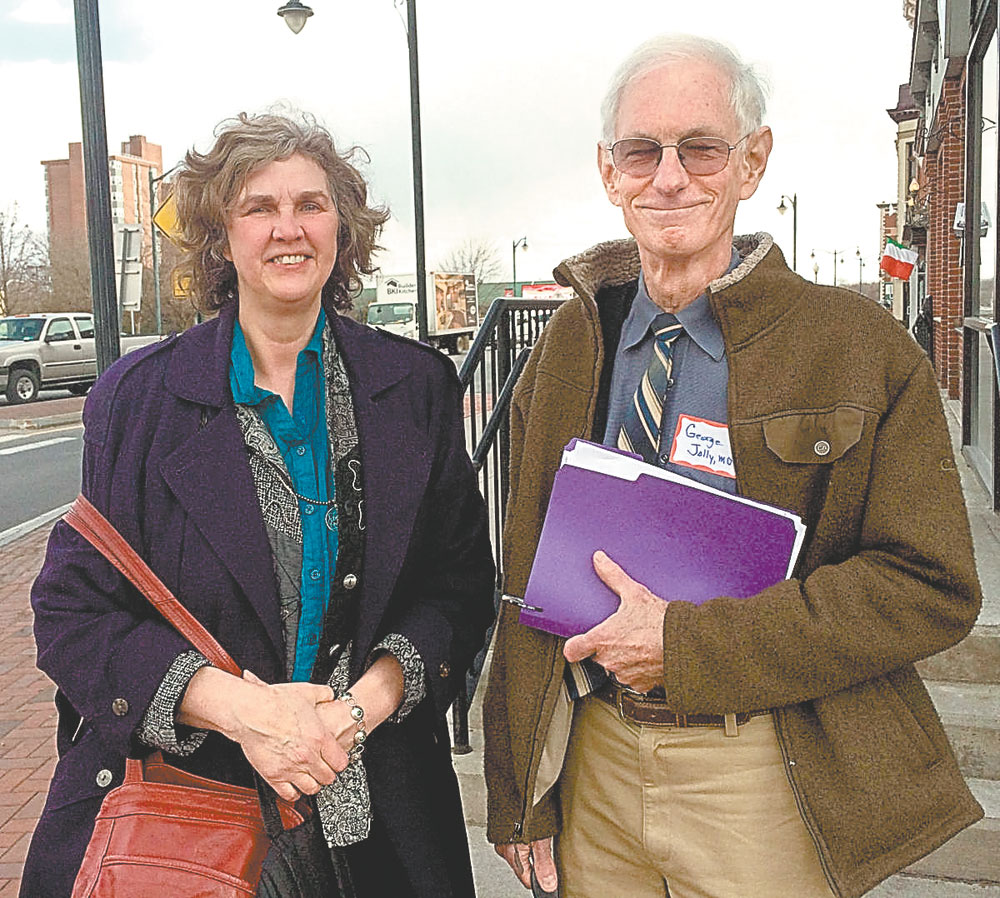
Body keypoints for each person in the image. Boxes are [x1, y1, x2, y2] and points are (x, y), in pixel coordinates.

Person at [482, 34, 983, 898]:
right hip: (594, 758)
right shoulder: (569, 343)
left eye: (702, 149)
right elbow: (521, 574)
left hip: (761, 768)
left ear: (752, 163)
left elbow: (929, 587)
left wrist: (686, 646)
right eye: (642, 151)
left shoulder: (859, 350)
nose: (670, 178)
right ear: (609, 172)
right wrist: (517, 792)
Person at [23, 110, 495, 898]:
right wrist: (242, 712)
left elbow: (459, 587)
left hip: (383, 817)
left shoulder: (415, 389)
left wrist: (356, 710)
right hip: (193, 823)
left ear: (342, 228)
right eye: (259, 208)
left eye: (311, 205)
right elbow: (74, 613)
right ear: (222, 235)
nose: (288, 229)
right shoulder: (138, 402)